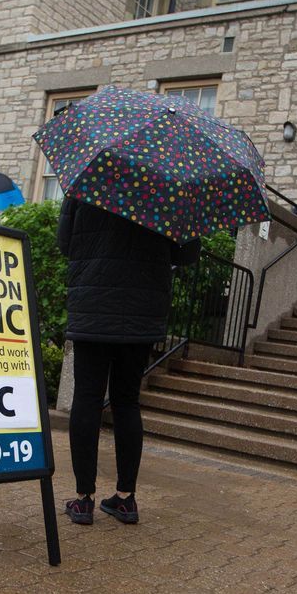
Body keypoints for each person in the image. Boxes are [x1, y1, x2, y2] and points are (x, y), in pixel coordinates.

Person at [57, 197, 200, 526]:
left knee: (87, 399)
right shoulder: (169, 190)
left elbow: (66, 244)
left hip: (93, 309)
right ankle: (125, 498)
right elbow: (187, 254)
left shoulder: (85, 184)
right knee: (126, 402)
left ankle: (83, 500)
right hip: (141, 313)